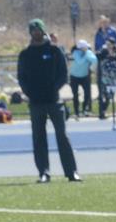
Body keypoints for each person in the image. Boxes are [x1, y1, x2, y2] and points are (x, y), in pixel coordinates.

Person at [17, 19, 79, 183]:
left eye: (39, 30)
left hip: (53, 101)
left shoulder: (54, 51)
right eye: (33, 31)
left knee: (62, 136)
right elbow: (21, 78)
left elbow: (63, 75)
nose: (36, 33)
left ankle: (71, 172)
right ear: (30, 33)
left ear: (43, 31)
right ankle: (44, 172)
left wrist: (54, 90)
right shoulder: (25, 54)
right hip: (36, 102)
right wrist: (29, 93)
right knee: (39, 138)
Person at [66, 40, 95, 118]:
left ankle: (85, 109)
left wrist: (92, 68)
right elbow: (80, 62)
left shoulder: (88, 53)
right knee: (75, 94)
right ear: (81, 48)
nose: (87, 48)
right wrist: (86, 55)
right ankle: (76, 111)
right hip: (74, 76)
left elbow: (94, 60)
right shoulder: (75, 53)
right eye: (85, 47)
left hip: (85, 76)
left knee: (87, 93)